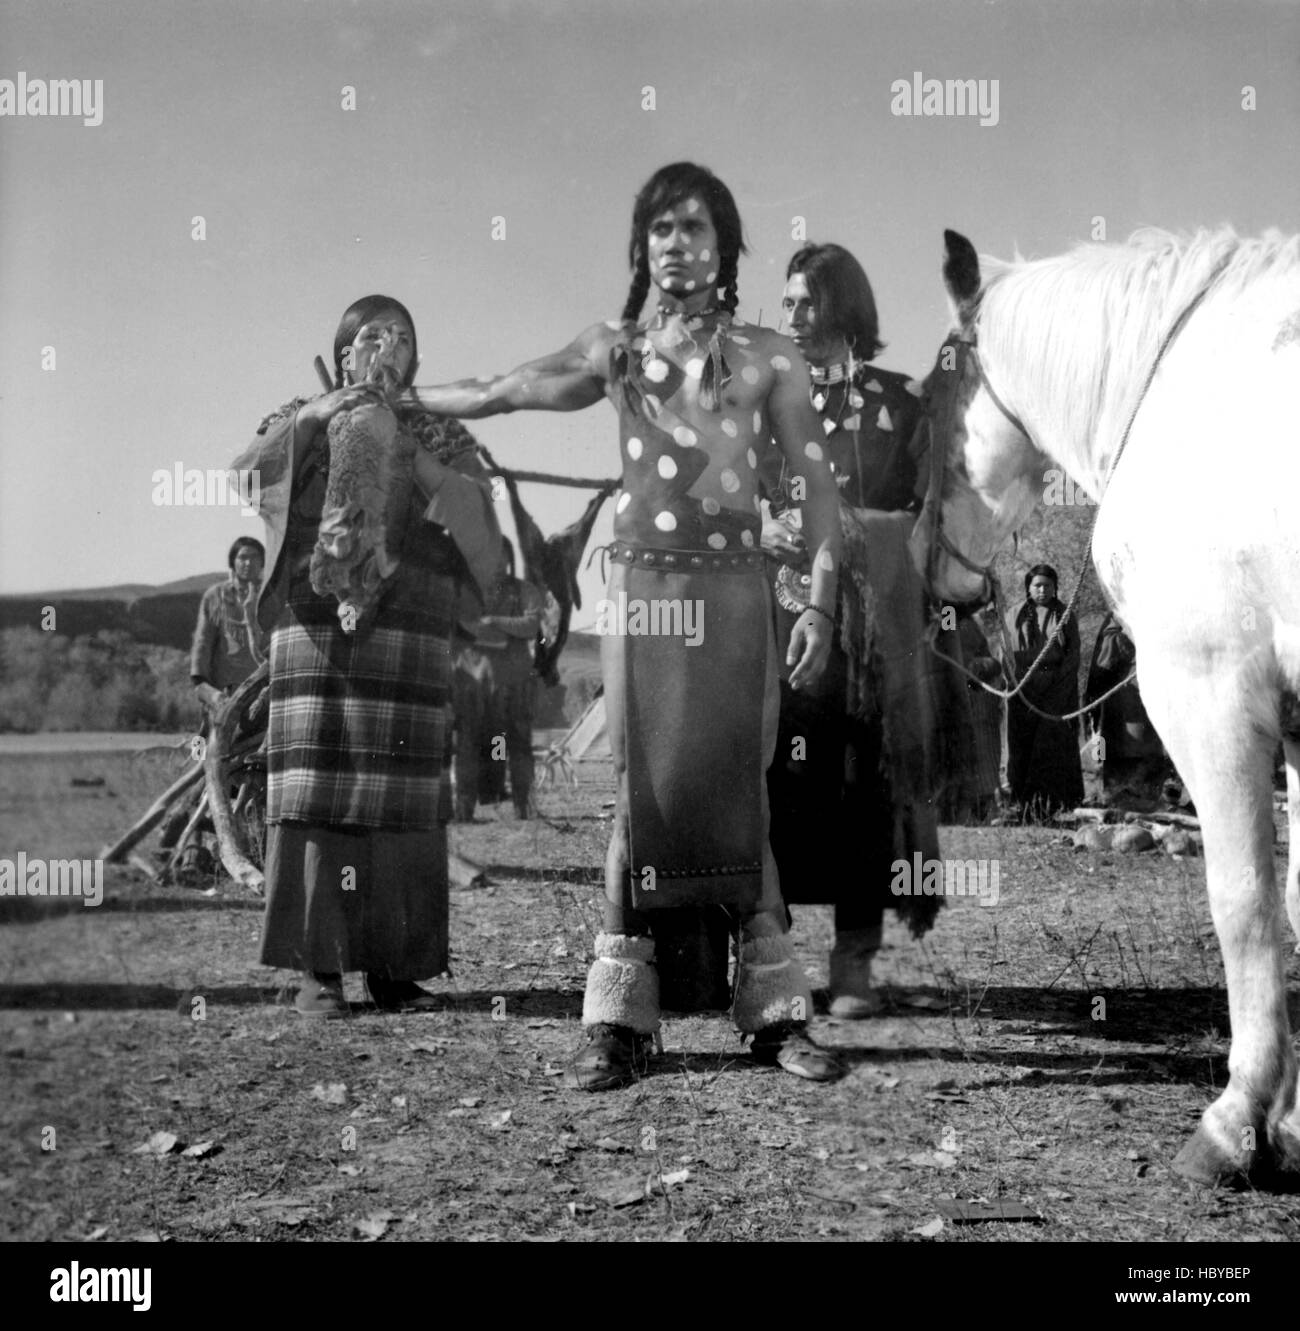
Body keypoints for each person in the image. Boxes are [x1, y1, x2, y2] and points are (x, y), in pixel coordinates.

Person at [413, 162, 844, 1086]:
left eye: (694, 227)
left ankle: (776, 1016)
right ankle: (616, 1021)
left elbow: (816, 490)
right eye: (660, 229)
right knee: (636, 795)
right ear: (642, 249)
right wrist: (404, 401)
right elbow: (500, 389)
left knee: (745, 792)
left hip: (737, 593)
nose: (676, 244)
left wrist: (820, 599)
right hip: (643, 590)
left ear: (726, 245)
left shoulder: (770, 355)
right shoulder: (614, 350)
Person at [230, 294, 502, 1017]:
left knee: (403, 796)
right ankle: (316, 969)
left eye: (402, 339)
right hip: (317, 625)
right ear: (345, 352)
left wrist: (417, 458)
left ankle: (396, 970)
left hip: (411, 624)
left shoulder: (438, 427)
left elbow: (479, 517)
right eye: (373, 336)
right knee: (315, 787)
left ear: (414, 360)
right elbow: (248, 476)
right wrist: (315, 420)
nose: (387, 348)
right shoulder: (301, 413)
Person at [760, 241, 942, 1017]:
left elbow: (930, 516)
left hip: (871, 637)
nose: (793, 316)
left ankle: (853, 964)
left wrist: (858, 534)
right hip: (783, 622)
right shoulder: (767, 402)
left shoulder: (901, 404)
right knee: (779, 781)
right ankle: (772, 963)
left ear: (844, 307)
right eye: (787, 302)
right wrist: (760, 526)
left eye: (806, 301)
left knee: (864, 786)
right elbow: (728, 491)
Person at [476, 539, 546, 819]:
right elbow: (468, 626)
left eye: (501, 556)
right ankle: (492, 794)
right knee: (494, 740)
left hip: (518, 678)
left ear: (508, 559)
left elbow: (531, 625)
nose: (496, 562)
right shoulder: (477, 590)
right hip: (487, 680)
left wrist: (494, 622)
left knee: (519, 742)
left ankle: (523, 804)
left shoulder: (525, 590)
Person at [1007, 564, 1084, 817]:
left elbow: (1072, 656)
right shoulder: (1013, 614)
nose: (1042, 590)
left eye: (1047, 586)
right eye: (1037, 585)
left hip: (1057, 688)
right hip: (1023, 687)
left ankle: (1056, 802)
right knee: (1023, 744)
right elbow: (1005, 652)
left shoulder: (1065, 614)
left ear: (1055, 587)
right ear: (1028, 588)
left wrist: (1057, 690)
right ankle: (1022, 802)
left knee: (1053, 743)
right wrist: (1017, 684)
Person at [189, 536, 268, 717]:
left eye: (254, 557)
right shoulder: (215, 596)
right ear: (233, 562)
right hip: (225, 690)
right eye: (243, 557)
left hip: (262, 689)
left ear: (263, 562)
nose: (248, 563)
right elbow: (203, 642)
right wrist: (202, 683)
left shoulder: (271, 596)